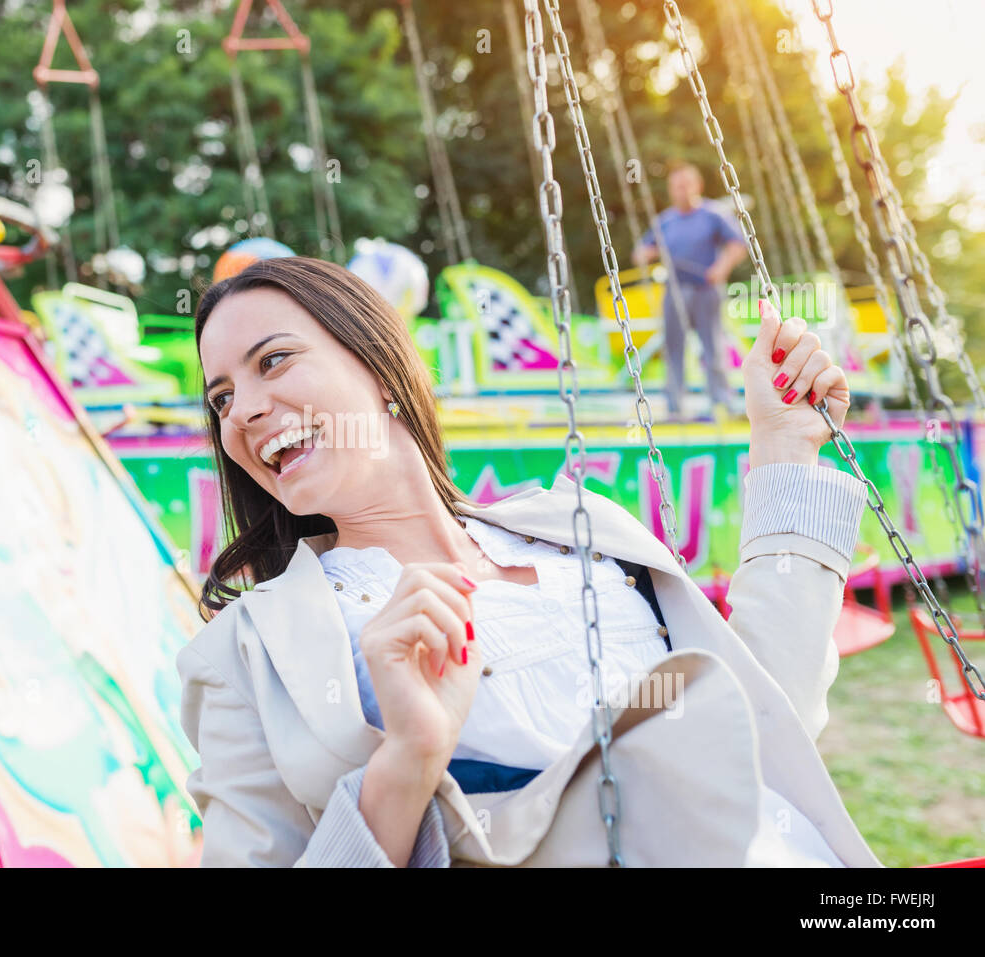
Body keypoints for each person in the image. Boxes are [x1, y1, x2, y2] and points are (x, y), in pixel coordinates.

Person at [178, 256, 877, 867]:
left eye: (272, 361)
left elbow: (765, 719)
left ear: (377, 363)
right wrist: (407, 761)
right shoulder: (248, 654)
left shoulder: (583, 533)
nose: (242, 414)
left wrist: (785, 448)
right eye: (223, 398)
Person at [632, 163, 749, 420]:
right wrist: (647, 254)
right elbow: (641, 250)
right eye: (676, 187)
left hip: (707, 291)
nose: (680, 191)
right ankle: (675, 407)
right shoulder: (666, 221)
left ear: (697, 186)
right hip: (674, 293)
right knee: (673, 349)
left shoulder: (713, 214)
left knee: (712, 347)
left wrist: (721, 268)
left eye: (685, 185)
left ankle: (721, 403)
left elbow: (738, 245)